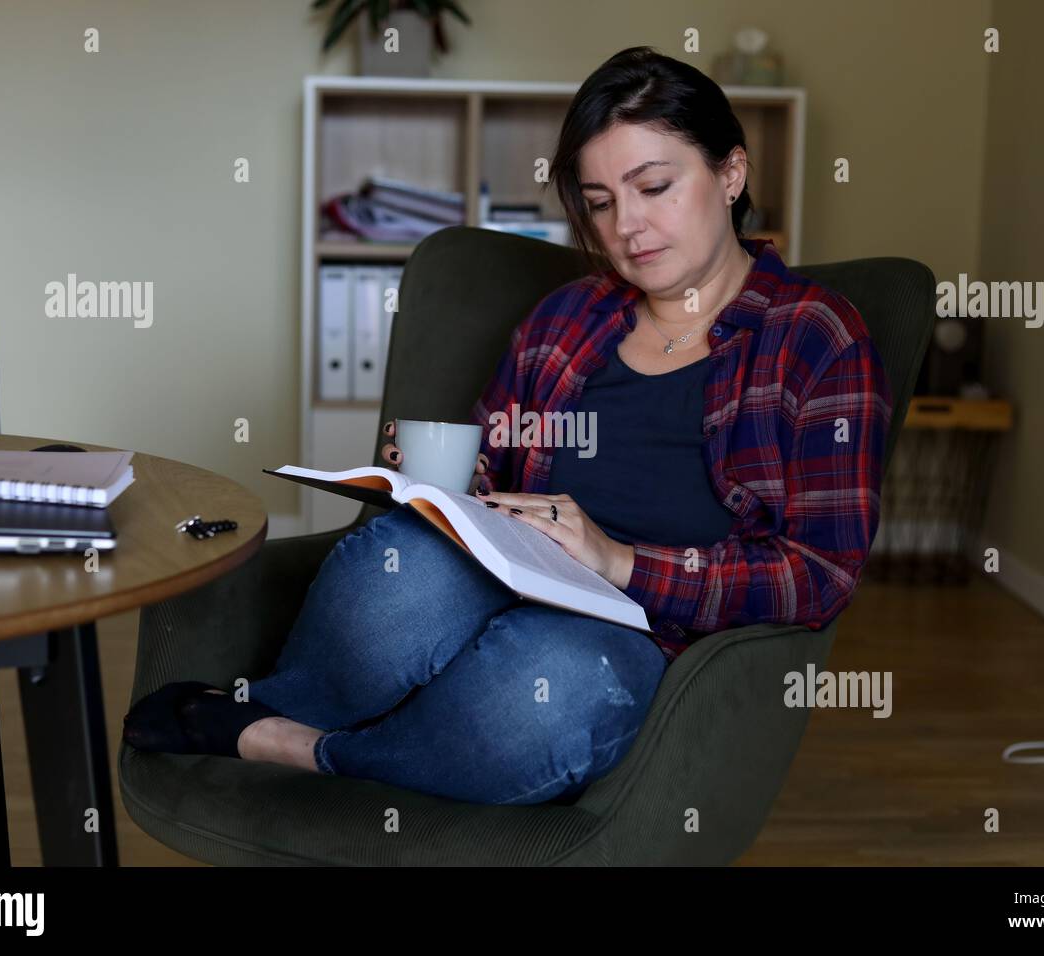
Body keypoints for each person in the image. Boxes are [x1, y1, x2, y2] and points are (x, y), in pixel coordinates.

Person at [122, 45, 893, 806]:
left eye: (654, 186)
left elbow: (819, 573)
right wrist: (430, 482)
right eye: (599, 201)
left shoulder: (815, 336)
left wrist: (620, 561)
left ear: (731, 173)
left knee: (538, 702)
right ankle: (315, 711)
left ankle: (292, 742)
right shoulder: (569, 319)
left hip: (639, 632)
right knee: (395, 566)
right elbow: (490, 461)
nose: (628, 226)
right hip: (505, 576)